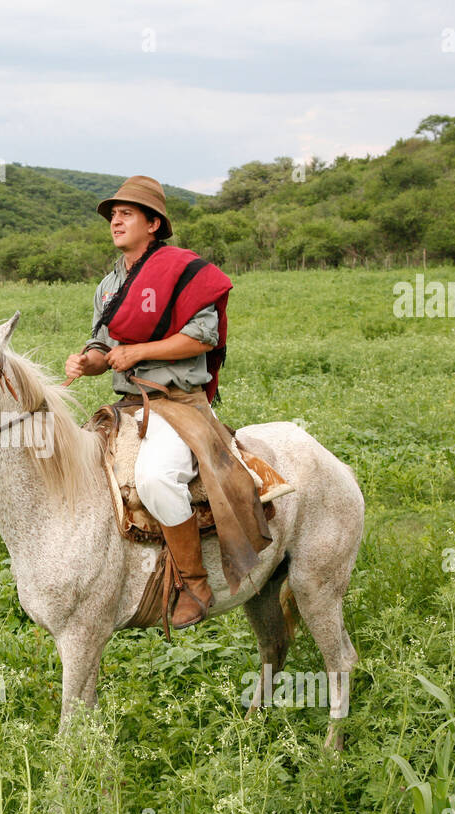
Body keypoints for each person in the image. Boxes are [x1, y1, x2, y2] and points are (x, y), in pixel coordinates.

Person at [65, 175, 284, 628]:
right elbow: (102, 344)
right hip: (128, 404)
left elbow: (202, 336)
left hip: (177, 402)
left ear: (154, 223)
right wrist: (89, 362)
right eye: (113, 215)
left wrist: (142, 351)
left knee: (156, 478)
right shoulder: (109, 285)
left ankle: (195, 582)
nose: (116, 221)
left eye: (127, 214)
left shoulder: (182, 271)